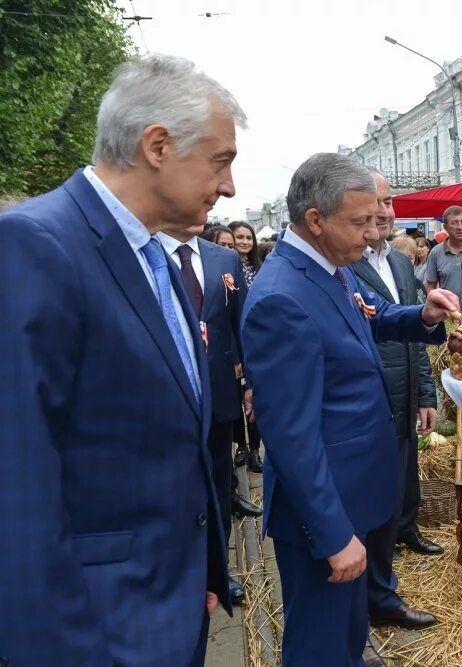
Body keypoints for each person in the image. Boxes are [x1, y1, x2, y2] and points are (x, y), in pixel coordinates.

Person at [0, 53, 244, 666]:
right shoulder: (39, 245)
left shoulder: (156, 255)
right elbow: (18, 481)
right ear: (157, 145)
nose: (229, 187)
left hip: (172, 605)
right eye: (220, 161)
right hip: (96, 630)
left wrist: (203, 568)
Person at [240, 153, 459, 667]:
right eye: (360, 222)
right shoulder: (282, 297)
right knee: (320, 646)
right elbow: (291, 436)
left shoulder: (328, 269)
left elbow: (373, 314)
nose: (372, 234)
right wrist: (335, 535)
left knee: (346, 635)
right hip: (326, 516)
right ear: (315, 219)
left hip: (353, 497)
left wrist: (421, 315)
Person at [349, 169, 440, 650]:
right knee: (365, 511)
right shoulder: (344, 264)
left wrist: (426, 394)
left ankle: (383, 596)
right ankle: (356, 614)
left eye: (389, 201)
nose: (386, 211)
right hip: (368, 408)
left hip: (403, 400)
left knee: (389, 507)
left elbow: (414, 335)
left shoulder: (402, 264)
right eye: (376, 202)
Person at [158, 218, 261, 608]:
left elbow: (242, 322)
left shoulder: (224, 260)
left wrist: (250, 380)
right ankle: (179, 573)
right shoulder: (146, 254)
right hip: (169, 399)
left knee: (219, 488)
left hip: (219, 395)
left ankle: (218, 571)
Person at [229, 219, 264, 473]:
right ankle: (240, 446)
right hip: (233, 344)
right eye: (238, 237)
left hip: (257, 342)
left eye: (247, 237)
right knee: (236, 400)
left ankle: (255, 450)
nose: (243, 242)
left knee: (256, 399)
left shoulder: (260, 268)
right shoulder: (225, 268)